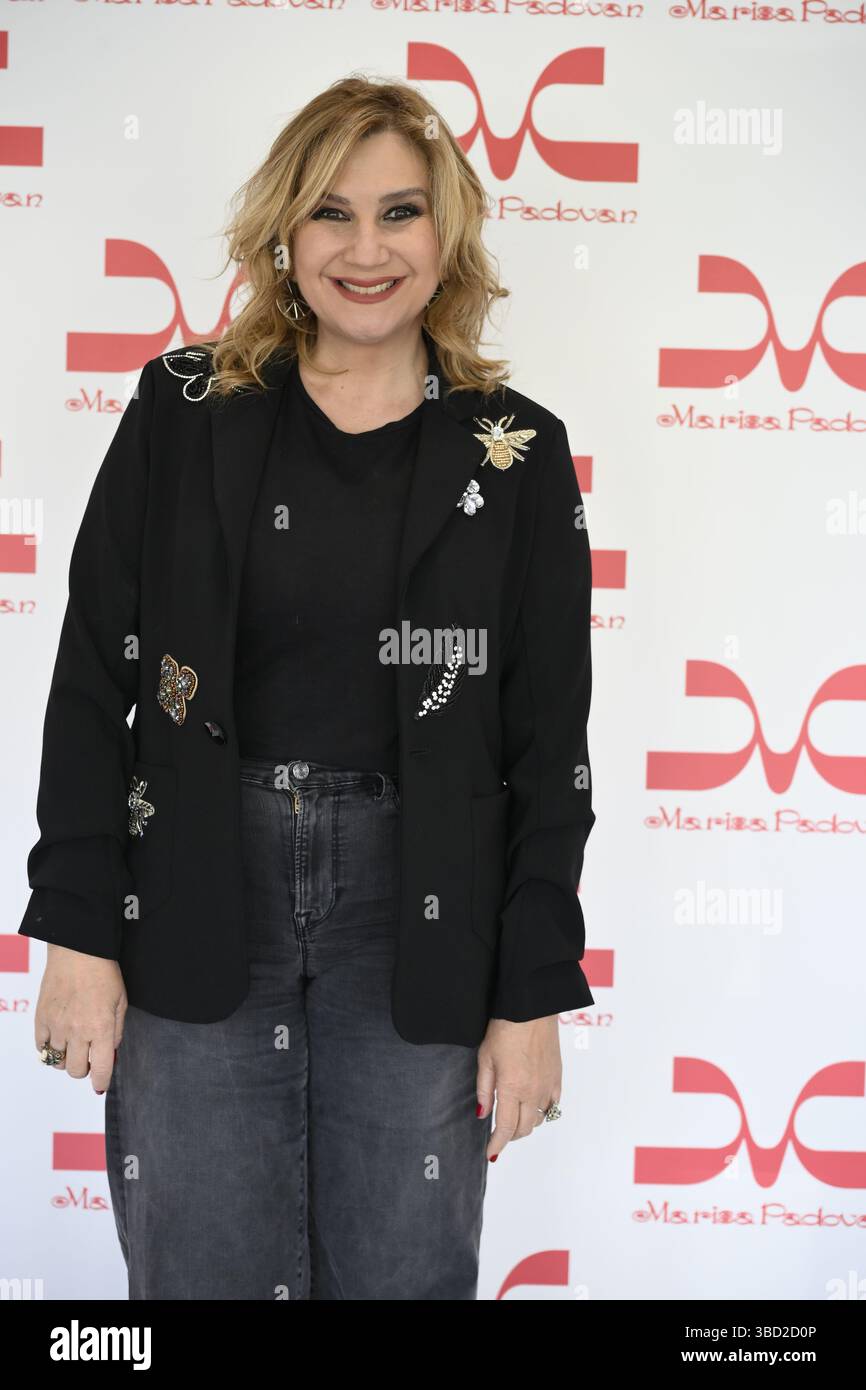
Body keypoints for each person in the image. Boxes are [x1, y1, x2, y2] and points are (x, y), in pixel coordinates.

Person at [19, 75, 596, 1300]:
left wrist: (532, 995)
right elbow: (91, 679)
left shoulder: (519, 451)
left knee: (401, 1272)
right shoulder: (185, 411)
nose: (366, 248)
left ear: (446, 236)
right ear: (283, 232)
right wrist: (76, 923)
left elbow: (548, 751)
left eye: (399, 212)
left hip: (421, 907)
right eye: (331, 213)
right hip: (193, 884)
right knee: (199, 1277)